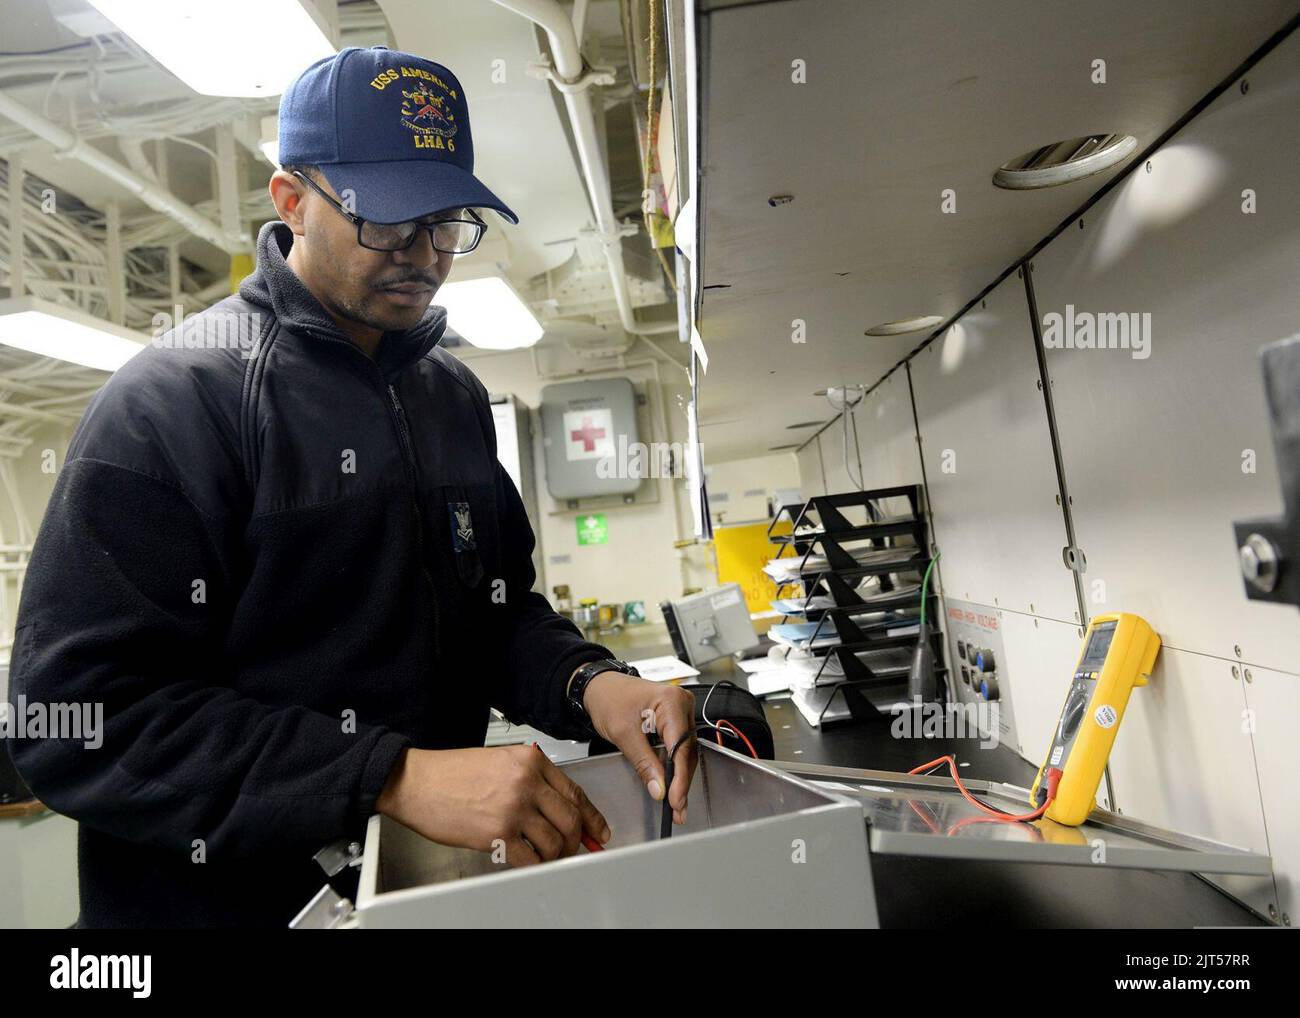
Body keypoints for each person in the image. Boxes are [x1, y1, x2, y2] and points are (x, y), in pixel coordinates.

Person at [9, 46, 695, 928]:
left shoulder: (448, 396)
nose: (423, 256)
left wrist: (588, 685)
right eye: (386, 223)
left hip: (408, 899)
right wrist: (391, 777)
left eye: (446, 222)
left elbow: (490, 615)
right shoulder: (172, 404)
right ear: (291, 200)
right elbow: (76, 720)